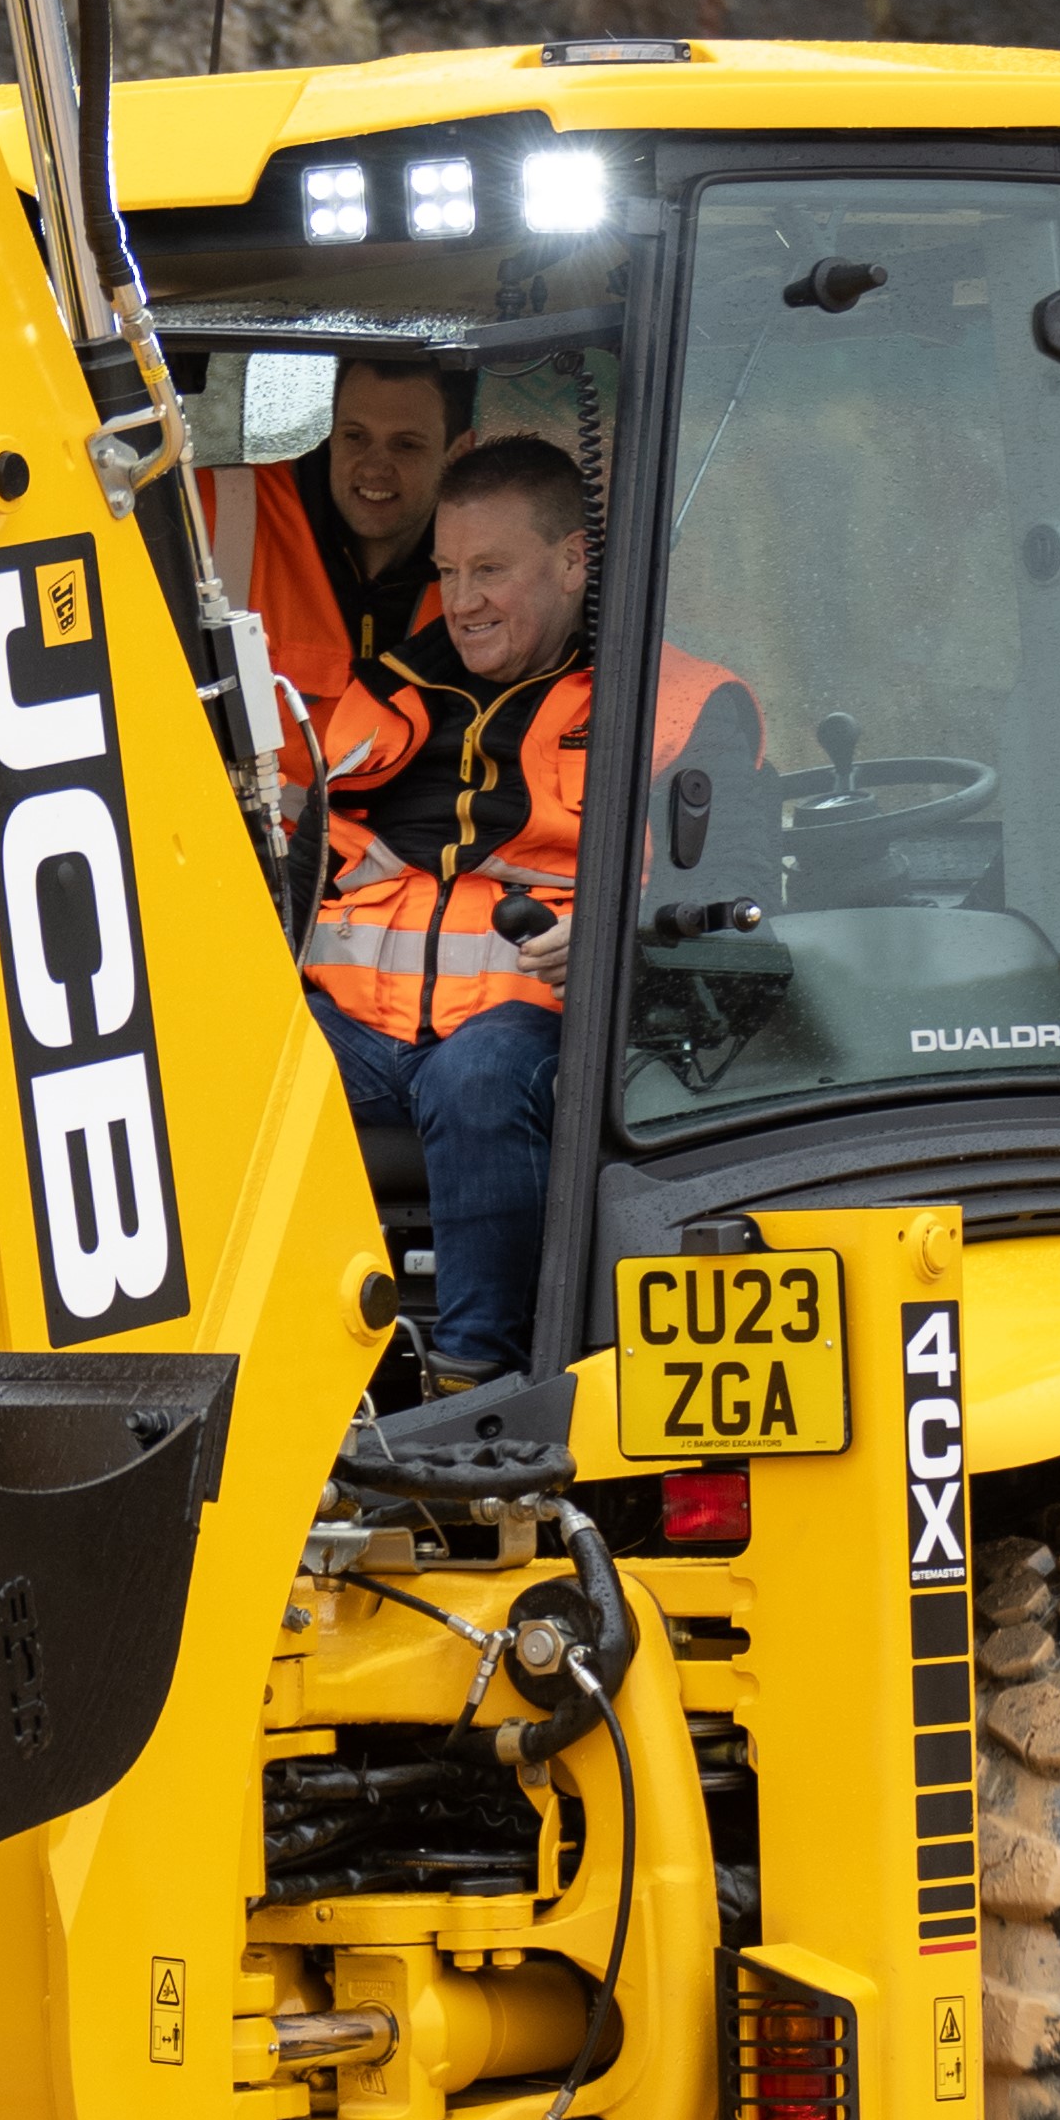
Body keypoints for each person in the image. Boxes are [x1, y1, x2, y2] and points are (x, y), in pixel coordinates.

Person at [304, 433, 754, 1386]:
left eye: (491, 571)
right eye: (448, 570)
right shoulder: (385, 688)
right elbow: (313, 862)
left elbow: (743, 913)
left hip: (551, 1044)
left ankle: (475, 1385)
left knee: (476, 1077)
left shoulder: (679, 706)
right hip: (356, 1039)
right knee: (202, 1061)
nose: (462, 601)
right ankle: (275, 1374)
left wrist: (613, 943)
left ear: (573, 561)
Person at [212, 354, 468, 701]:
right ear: (331, 434)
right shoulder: (220, 508)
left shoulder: (493, 567)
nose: (375, 467)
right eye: (355, 436)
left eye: (405, 444)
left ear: (458, 453)